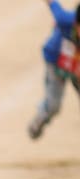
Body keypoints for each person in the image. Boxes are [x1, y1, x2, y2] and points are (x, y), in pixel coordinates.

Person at [27, 1, 80, 140]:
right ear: (76, 24)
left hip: (77, 65)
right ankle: (39, 120)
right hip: (56, 62)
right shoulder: (65, 19)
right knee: (53, 105)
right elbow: (52, 3)